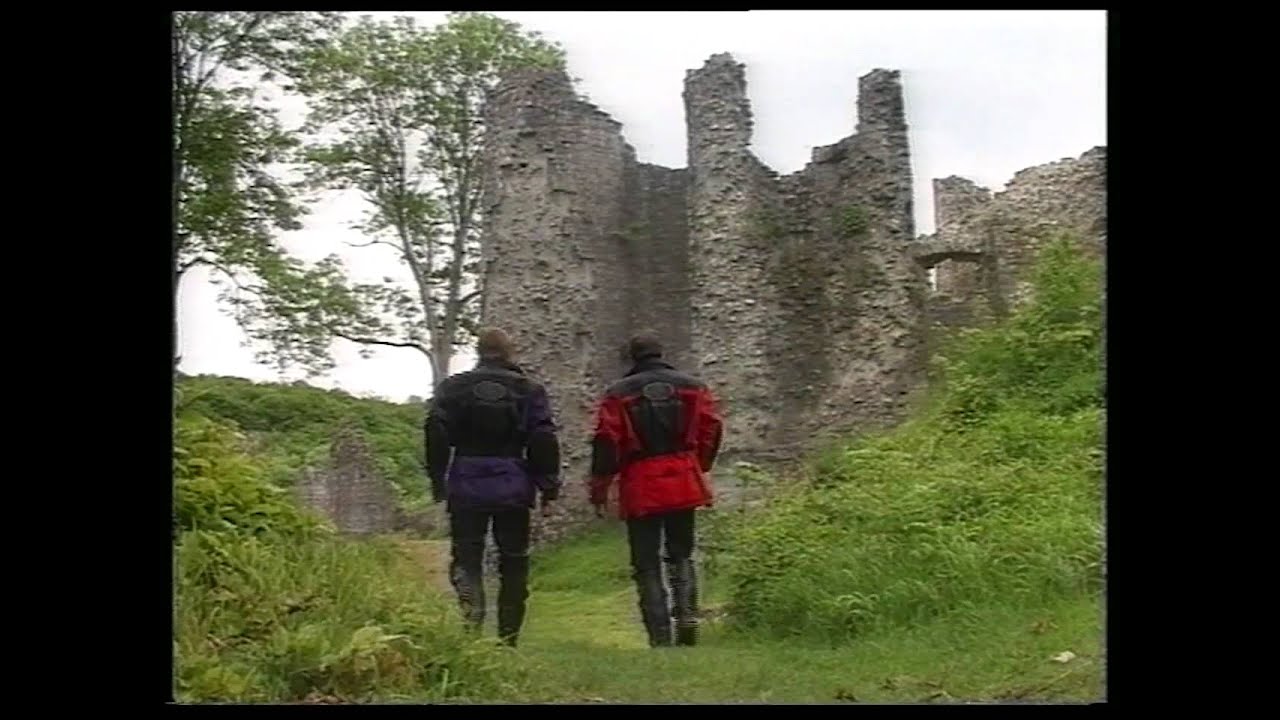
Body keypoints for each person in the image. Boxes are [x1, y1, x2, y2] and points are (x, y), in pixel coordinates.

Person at [426, 327, 562, 647]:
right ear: (510, 352)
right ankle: (508, 639)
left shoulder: (453, 387)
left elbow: (435, 431)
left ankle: (472, 625)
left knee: (467, 557)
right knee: (514, 559)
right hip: (512, 481)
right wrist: (548, 485)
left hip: (467, 479)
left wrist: (438, 480)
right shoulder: (528, 389)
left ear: (478, 352)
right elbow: (543, 437)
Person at [587, 332, 723, 648]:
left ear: (632, 357)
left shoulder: (618, 393)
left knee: (646, 561)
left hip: (641, 481)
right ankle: (687, 615)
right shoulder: (693, 386)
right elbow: (712, 428)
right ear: (661, 352)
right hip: (682, 475)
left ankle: (659, 635)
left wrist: (599, 488)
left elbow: (607, 443)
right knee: (682, 553)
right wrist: (699, 464)